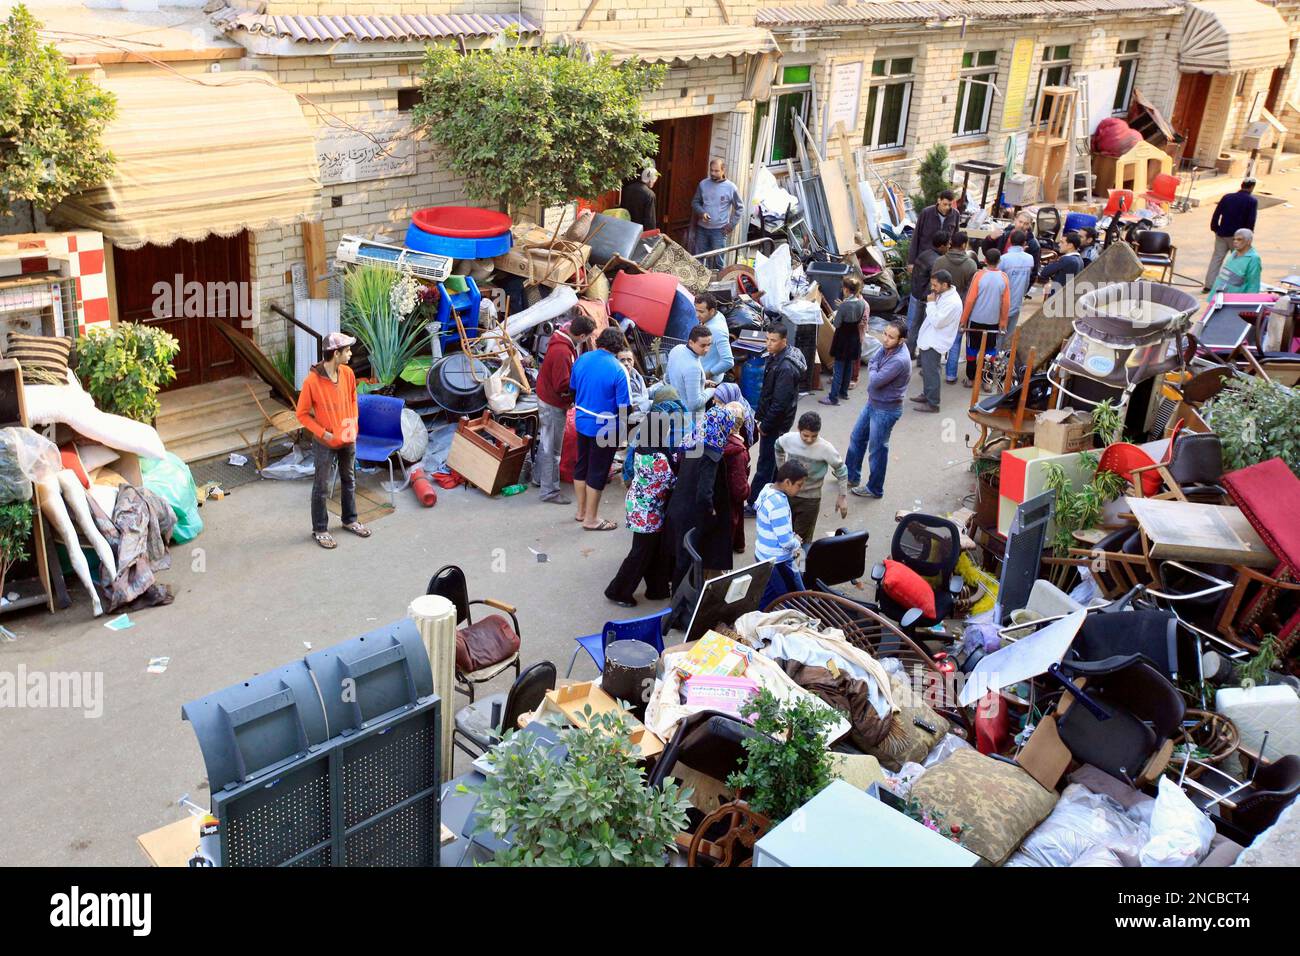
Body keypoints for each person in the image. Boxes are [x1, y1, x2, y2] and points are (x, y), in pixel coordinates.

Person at [297, 331, 370, 549]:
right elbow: (301, 414)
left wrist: (354, 423)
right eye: (347, 350)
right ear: (336, 353)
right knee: (321, 486)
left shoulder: (347, 373)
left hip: (348, 437)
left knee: (349, 479)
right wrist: (323, 434)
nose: (350, 354)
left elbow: (353, 398)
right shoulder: (312, 382)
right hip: (325, 442)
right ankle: (320, 529)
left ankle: (350, 520)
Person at [604, 411, 677, 609]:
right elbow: (672, 482)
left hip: (640, 506)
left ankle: (657, 588)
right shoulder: (658, 458)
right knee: (641, 552)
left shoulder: (642, 448)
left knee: (650, 550)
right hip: (647, 512)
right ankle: (617, 590)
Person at [664, 405, 738, 591]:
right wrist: (711, 511)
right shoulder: (711, 454)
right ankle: (680, 606)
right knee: (688, 561)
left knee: (680, 558)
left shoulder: (692, 442)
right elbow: (704, 493)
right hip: (692, 515)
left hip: (678, 508)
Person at [570, 326, 631, 531]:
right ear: (618, 346)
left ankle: (581, 512)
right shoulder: (618, 369)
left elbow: (573, 388)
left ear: (599, 341)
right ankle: (592, 519)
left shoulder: (582, 359)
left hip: (581, 420)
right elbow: (624, 408)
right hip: (605, 427)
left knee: (582, 465)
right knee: (597, 471)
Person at [534, 312, 596, 505]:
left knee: (546, 442)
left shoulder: (562, 343)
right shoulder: (563, 351)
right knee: (552, 449)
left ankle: (539, 479)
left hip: (547, 398)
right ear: (583, 336)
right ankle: (549, 492)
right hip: (552, 403)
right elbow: (562, 384)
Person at [745, 323, 806, 515]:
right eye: (767, 339)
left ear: (784, 341)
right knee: (772, 462)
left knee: (765, 464)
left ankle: (755, 503)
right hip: (774, 420)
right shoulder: (776, 357)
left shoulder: (785, 367)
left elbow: (779, 403)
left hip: (776, 423)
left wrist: (766, 424)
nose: (768, 344)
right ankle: (772, 496)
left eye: (773, 340)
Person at [847, 319, 910, 499]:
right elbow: (874, 360)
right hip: (873, 403)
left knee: (877, 451)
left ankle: (875, 488)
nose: (885, 339)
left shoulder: (899, 360)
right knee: (857, 437)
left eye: (891, 337)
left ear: (901, 340)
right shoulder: (887, 348)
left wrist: (874, 368)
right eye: (885, 334)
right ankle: (851, 476)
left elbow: (874, 381)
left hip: (886, 410)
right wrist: (876, 366)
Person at [774, 411, 849, 543]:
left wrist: (842, 497)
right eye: (805, 435)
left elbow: (841, 470)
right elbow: (778, 446)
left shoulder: (826, 448)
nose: (809, 440)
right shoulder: (789, 439)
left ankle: (801, 563)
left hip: (810, 500)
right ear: (799, 430)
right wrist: (782, 469)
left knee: (801, 540)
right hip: (787, 496)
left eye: (814, 436)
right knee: (783, 534)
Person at [755, 460, 809, 608]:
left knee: (770, 594)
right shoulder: (778, 505)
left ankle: (757, 616)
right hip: (779, 561)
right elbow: (786, 542)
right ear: (787, 482)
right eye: (799, 485)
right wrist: (796, 541)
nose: (801, 489)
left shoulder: (767, 490)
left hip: (762, 555)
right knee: (795, 599)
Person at [912, 270, 963, 413]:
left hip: (935, 341)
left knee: (931, 372)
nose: (932, 288)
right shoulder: (943, 294)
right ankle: (926, 395)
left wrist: (931, 303)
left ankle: (933, 403)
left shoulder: (952, 302)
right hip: (930, 338)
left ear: (945, 285)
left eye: (935, 285)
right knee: (928, 371)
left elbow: (937, 321)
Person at [959, 247, 1011, 385]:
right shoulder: (1004, 277)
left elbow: (970, 300)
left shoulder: (979, 275)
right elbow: (1006, 303)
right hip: (993, 321)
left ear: (985, 260)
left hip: (975, 320)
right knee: (990, 351)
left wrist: (963, 320)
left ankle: (970, 379)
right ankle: (987, 382)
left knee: (972, 349)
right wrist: (1003, 322)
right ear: (999, 261)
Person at [936, 231, 978, 384]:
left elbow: (934, 286)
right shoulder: (971, 264)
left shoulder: (939, 261)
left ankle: (932, 372)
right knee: (955, 342)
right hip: (960, 308)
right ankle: (951, 375)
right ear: (964, 245)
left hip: (941, 305)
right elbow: (971, 291)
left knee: (937, 339)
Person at [820, 274, 867, 406]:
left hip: (842, 339)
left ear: (846, 290)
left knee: (839, 369)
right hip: (854, 338)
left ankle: (833, 397)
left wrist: (839, 311)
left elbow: (837, 323)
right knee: (848, 367)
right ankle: (843, 393)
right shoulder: (862, 303)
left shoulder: (844, 306)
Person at [1205, 179, 1258, 292]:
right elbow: (1251, 220)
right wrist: (1248, 238)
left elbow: (1217, 213)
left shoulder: (1227, 197)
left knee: (1216, 259)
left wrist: (1215, 228)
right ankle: (1234, 288)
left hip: (1222, 233)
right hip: (1239, 237)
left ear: (1241, 185)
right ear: (1252, 187)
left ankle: (1208, 285)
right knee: (1238, 263)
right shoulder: (1252, 201)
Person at [692, 157, 743, 270]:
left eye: (716, 171)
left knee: (719, 262)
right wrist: (702, 213)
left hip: (719, 231)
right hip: (702, 229)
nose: (713, 173)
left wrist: (731, 225)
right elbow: (695, 202)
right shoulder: (703, 184)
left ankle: (719, 285)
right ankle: (700, 284)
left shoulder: (731, 188)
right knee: (699, 260)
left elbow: (740, 208)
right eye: (711, 170)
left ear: (723, 170)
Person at [907, 231, 951, 357]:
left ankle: (910, 352)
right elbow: (934, 283)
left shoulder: (924, 254)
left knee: (915, 325)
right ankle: (922, 358)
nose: (949, 246)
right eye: (948, 244)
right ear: (941, 246)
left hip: (917, 294)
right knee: (927, 328)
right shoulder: (937, 261)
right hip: (927, 298)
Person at [666, 324, 716, 418]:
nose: (707, 349)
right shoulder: (694, 368)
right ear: (691, 343)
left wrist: (701, 383)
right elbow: (695, 404)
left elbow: (668, 379)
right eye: (703, 345)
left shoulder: (676, 349)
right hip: (691, 420)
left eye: (709, 345)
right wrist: (712, 391)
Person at [721, 403, 751, 554]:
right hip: (730, 501)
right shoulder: (738, 452)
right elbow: (740, 490)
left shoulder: (719, 441)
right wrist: (747, 489)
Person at [908, 189, 957, 280]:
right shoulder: (926, 213)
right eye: (945, 204)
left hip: (943, 260)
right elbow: (916, 237)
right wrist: (911, 261)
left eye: (950, 205)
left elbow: (955, 238)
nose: (947, 207)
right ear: (939, 200)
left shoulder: (955, 215)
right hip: (924, 259)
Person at [999, 230, 1036, 338]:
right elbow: (1027, 281)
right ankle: (1002, 353)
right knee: (1009, 333)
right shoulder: (1029, 259)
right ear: (1024, 243)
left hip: (1002, 302)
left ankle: (994, 354)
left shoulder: (1003, 259)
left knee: (999, 333)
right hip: (1018, 299)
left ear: (1010, 240)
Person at [986, 209, 1042, 278]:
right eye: (1020, 222)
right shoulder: (1004, 235)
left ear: (1029, 225)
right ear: (1015, 220)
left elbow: (1033, 271)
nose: (1022, 225)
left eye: (1026, 224)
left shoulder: (1033, 244)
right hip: (998, 276)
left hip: (1017, 280)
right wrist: (990, 239)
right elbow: (987, 252)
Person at [1208, 228, 1263, 297]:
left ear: (1249, 241)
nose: (1235, 242)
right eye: (1234, 239)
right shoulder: (1234, 253)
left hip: (1234, 301)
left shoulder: (1253, 259)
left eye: (1239, 239)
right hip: (1218, 296)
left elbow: (1253, 284)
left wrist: (1250, 304)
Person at [694, 292, 735, 380]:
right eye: (696, 310)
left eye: (701, 312)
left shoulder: (716, 330)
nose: (697, 315)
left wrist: (707, 374)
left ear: (712, 311)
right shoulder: (718, 315)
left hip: (708, 381)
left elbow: (728, 361)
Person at [1040, 230, 1085, 297]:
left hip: (1057, 295)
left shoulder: (1066, 259)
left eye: (1062, 242)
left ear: (1070, 245)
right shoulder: (1080, 260)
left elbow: (1045, 272)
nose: (1059, 244)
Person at [712, 381, 755, 446]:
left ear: (730, 400)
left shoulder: (740, 419)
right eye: (715, 402)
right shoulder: (744, 406)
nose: (716, 406)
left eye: (720, 403)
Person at [621, 164, 660, 233]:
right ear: (650, 179)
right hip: (639, 232)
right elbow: (650, 220)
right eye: (654, 180)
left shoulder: (627, 189)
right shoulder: (650, 194)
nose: (654, 183)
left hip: (625, 229)